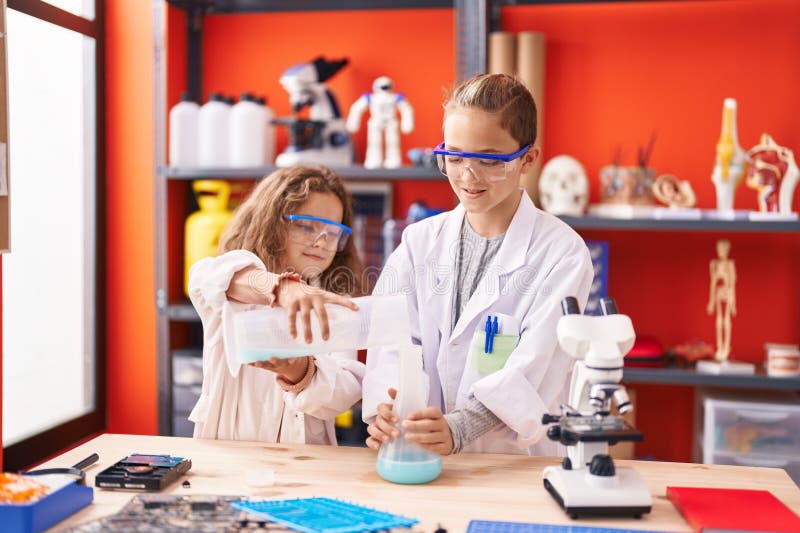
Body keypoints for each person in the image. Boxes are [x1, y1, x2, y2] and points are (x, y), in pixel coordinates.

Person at [362, 73, 594, 456]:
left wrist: (460, 428)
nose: (468, 177)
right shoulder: (419, 242)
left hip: (512, 468)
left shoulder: (562, 253)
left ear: (527, 160)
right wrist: (391, 412)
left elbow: (536, 365)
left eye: (489, 161)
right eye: (454, 157)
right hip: (424, 458)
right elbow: (393, 343)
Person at [187, 165, 367, 444]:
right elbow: (206, 278)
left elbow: (347, 389)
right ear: (271, 222)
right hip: (229, 454)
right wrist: (281, 287)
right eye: (307, 226)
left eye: (333, 233)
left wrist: (298, 370)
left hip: (308, 460)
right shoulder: (231, 280)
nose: (321, 241)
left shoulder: (335, 302)